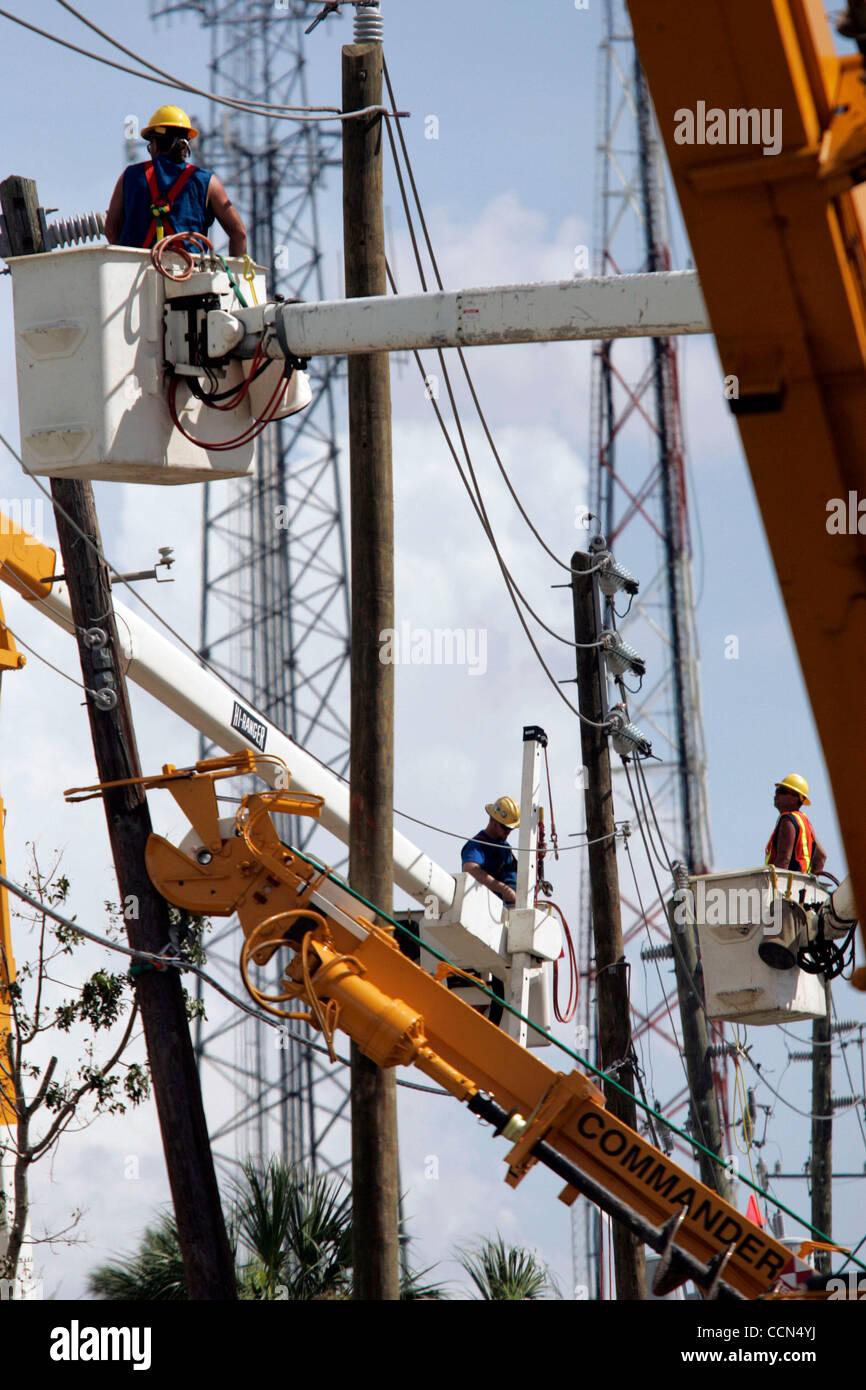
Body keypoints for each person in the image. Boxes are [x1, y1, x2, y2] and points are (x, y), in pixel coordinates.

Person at [105, 104, 247, 255]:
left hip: (134, 274)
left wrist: (128, 260)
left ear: (156, 144)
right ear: (186, 146)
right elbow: (239, 234)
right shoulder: (208, 182)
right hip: (190, 274)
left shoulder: (130, 176)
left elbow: (111, 230)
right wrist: (233, 276)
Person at [461, 797, 520, 905]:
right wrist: (503, 889)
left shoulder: (505, 848)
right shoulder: (477, 845)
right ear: (493, 820)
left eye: (510, 829)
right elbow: (470, 869)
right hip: (485, 909)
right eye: (504, 827)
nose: (508, 832)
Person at [765, 773, 827, 874]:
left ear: (795, 798)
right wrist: (809, 883)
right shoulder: (804, 822)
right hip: (798, 885)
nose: (777, 794)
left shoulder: (788, 820)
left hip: (786, 885)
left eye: (782, 791)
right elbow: (821, 857)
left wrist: (775, 886)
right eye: (777, 791)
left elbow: (784, 859)